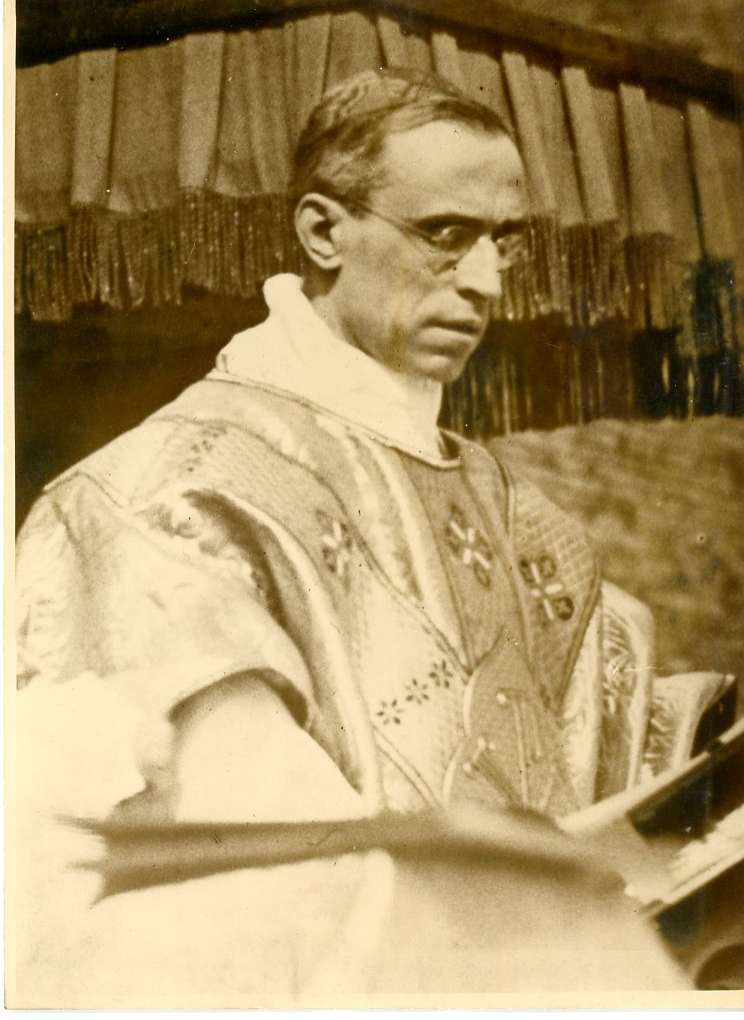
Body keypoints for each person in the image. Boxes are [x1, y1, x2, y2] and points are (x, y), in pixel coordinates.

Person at [12, 68, 725, 999]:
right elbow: (232, 854)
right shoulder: (163, 497)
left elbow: (586, 766)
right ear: (322, 232)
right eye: (445, 236)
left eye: (503, 243)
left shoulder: (527, 519)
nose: (486, 283)